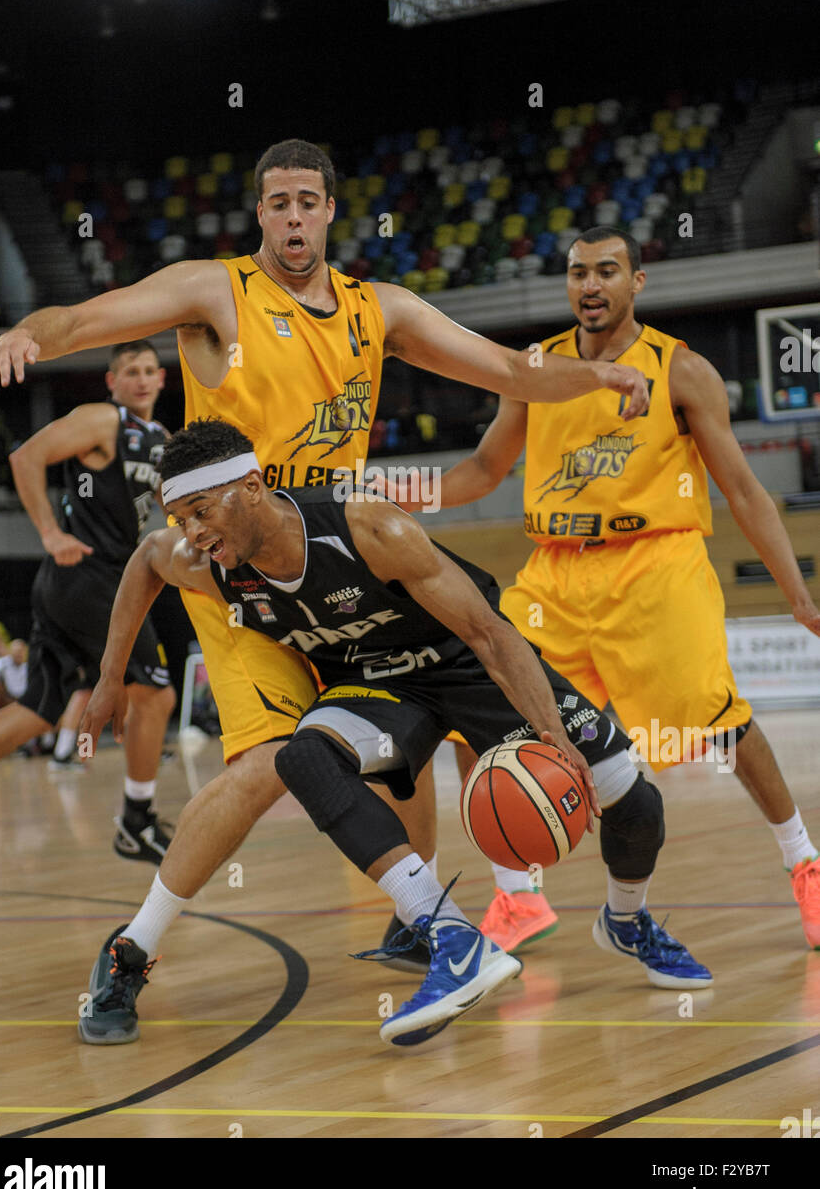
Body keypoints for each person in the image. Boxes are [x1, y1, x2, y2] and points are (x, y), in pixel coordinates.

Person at [0, 138, 650, 968]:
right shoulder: (215, 290)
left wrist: (601, 376)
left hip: (337, 559)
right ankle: (133, 950)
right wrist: (24, 335)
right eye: (277, 203)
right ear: (259, 212)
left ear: (332, 210)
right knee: (270, 765)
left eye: (308, 201)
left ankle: (423, 923)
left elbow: (514, 371)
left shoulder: (383, 310)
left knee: (407, 739)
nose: (293, 216)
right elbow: (84, 319)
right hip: (236, 572)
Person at [78, 419, 711, 1048]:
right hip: (377, 686)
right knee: (304, 759)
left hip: (463, 664)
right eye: (179, 517)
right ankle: (451, 936)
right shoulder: (205, 561)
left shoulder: (366, 527)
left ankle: (627, 920)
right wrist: (110, 677)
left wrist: (553, 735)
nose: (191, 532)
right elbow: (144, 562)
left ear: (250, 485)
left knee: (635, 802)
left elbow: (489, 635)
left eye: (199, 510)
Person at [429, 225, 820, 950]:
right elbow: (483, 471)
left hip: (655, 561)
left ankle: (805, 863)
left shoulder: (683, 370)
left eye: (607, 271)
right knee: (476, 706)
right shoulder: (536, 368)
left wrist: (797, 594)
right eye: (578, 273)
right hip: (554, 570)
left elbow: (743, 489)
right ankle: (519, 899)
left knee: (716, 718)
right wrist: (395, 495)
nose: (590, 285)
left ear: (637, 281)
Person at [0, 341, 176, 862]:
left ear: (162, 380)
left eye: (150, 370)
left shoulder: (162, 441)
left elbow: (172, 508)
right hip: (90, 579)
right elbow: (25, 456)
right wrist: (50, 533)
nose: (141, 379)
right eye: (130, 371)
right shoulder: (103, 420)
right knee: (158, 695)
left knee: (38, 708)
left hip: (76, 586)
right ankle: (136, 820)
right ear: (112, 381)